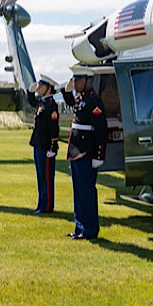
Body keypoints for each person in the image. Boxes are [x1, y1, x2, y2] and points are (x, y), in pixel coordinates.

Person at [61, 66, 108, 240]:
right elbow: (70, 103)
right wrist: (65, 91)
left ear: (88, 80)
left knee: (86, 193)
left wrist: (99, 156)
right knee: (79, 193)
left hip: (87, 153)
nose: (75, 83)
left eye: (78, 80)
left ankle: (89, 229)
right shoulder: (82, 99)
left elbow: (101, 131)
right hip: (77, 152)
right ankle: (79, 227)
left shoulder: (94, 101)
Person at [26, 74, 59, 214]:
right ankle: (42, 203)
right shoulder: (42, 103)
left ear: (48, 88)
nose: (38, 88)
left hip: (46, 147)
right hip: (38, 145)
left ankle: (47, 206)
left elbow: (53, 128)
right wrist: (30, 90)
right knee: (41, 177)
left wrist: (53, 147)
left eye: (41, 86)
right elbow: (31, 100)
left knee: (46, 177)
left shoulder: (51, 105)